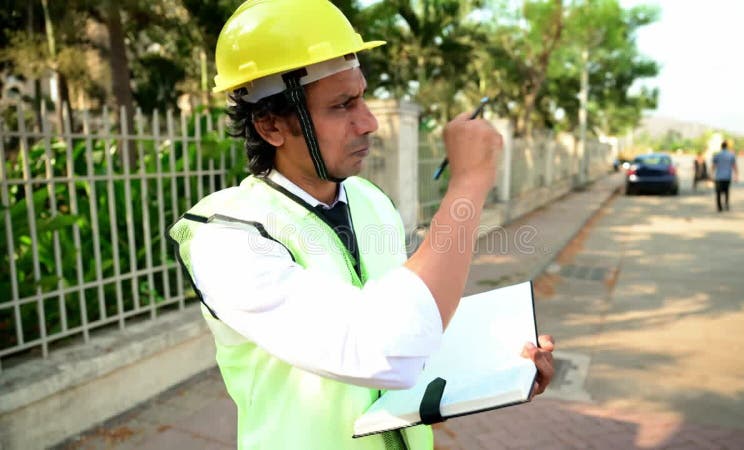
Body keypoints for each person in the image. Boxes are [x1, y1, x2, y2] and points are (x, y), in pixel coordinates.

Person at [167, 1, 555, 449]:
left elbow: (414, 325)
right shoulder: (227, 238)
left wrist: (498, 368)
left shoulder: (371, 201)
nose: (368, 122)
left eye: (362, 96)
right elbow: (383, 347)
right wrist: (469, 183)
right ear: (271, 125)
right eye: (341, 105)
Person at [712, 140, 738, 211]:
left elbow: (713, 166)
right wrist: (736, 176)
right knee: (726, 191)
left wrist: (711, 175)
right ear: (727, 147)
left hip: (718, 177)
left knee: (718, 192)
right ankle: (726, 204)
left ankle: (719, 207)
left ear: (721, 147)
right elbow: (734, 166)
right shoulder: (731, 155)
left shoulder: (717, 155)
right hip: (727, 177)